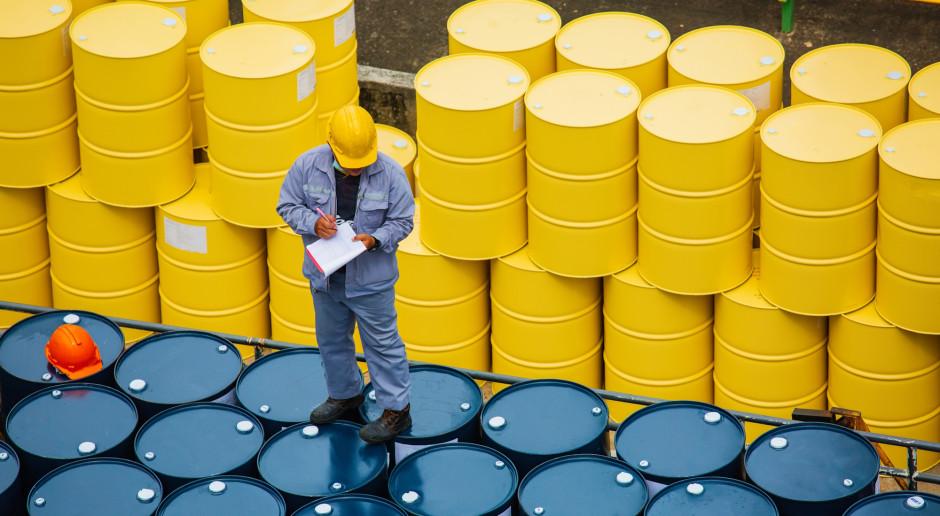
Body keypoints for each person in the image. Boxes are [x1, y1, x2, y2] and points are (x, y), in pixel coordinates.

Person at [276, 105, 415, 443]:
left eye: (362, 165)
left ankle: (397, 411)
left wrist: (376, 239)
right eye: (349, 164)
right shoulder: (307, 166)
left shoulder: (392, 174)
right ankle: (345, 394)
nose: (355, 171)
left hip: (371, 281)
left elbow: (403, 222)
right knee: (332, 341)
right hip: (326, 277)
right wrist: (312, 223)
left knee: (383, 346)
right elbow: (287, 205)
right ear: (332, 146)